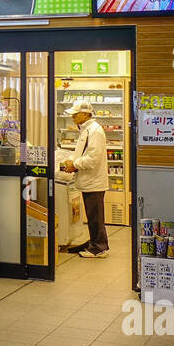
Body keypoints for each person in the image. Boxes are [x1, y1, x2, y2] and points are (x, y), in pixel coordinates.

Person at [59, 101, 110, 258]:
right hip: (88, 180)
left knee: (95, 216)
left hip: (94, 181)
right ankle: (94, 242)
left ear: (86, 114)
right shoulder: (86, 130)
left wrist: (74, 164)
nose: (73, 116)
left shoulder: (95, 131)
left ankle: (99, 247)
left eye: (76, 113)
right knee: (92, 215)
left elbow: (93, 158)